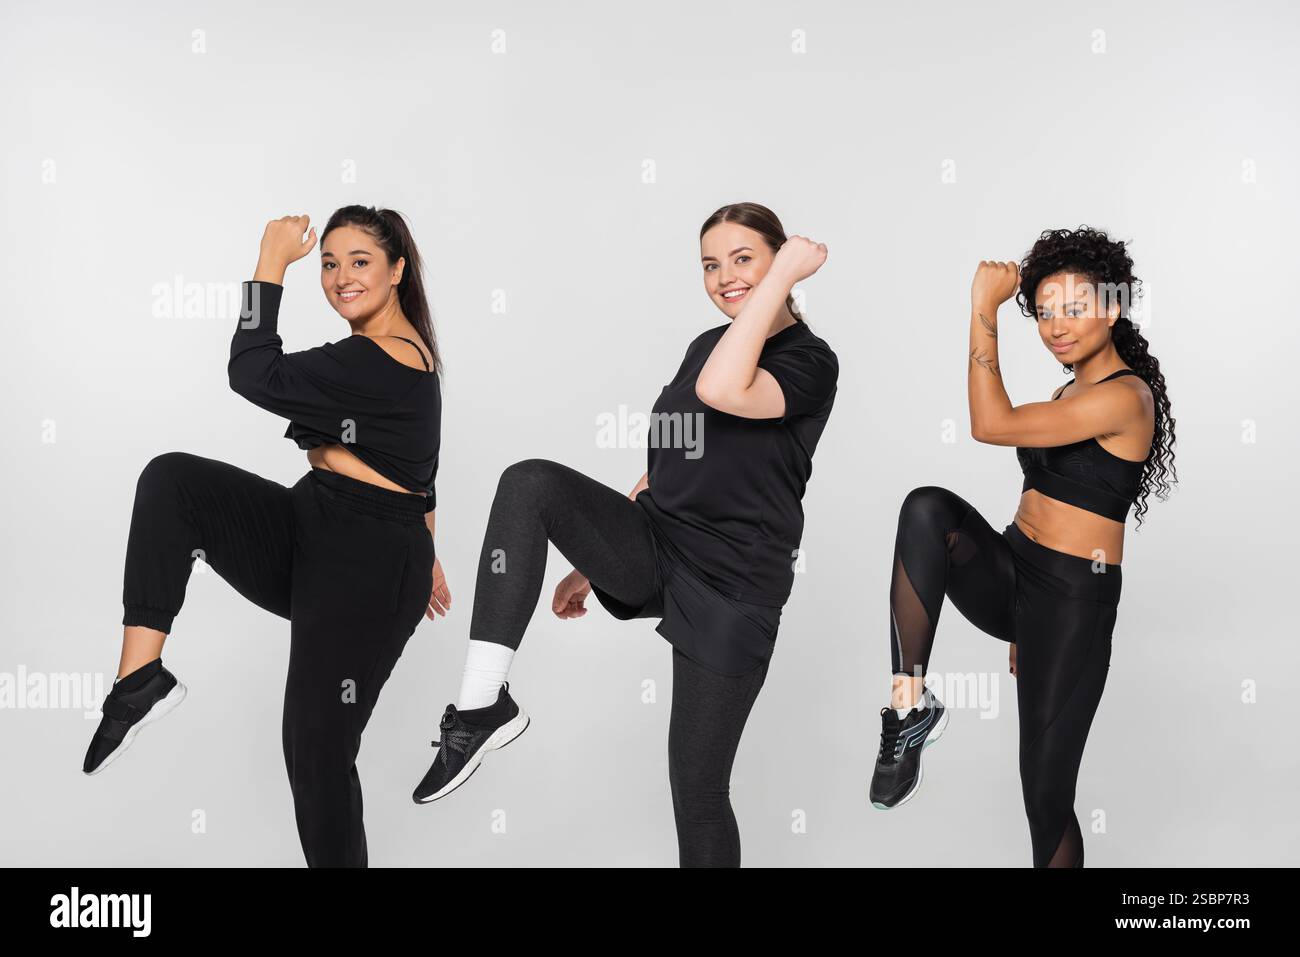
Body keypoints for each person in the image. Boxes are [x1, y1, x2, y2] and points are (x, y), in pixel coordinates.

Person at [411, 202, 839, 867]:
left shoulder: (811, 361)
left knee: (697, 789)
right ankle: (479, 706)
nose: (724, 277)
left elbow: (726, 391)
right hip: (659, 542)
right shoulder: (707, 344)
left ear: (780, 259)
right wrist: (594, 554)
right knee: (530, 484)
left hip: (733, 587)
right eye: (710, 265)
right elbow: (675, 450)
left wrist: (782, 276)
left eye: (743, 259)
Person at [82, 207, 449, 867]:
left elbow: (253, 372)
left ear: (397, 271)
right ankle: (139, 678)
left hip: (366, 562)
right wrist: (431, 545)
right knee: (173, 484)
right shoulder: (391, 356)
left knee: (316, 750)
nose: (339, 277)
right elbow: (422, 462)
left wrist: (271, 261)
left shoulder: (383, 357)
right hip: (315, 523)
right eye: (330, 263)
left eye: (359, 261)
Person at [868, 226, 1178, 867]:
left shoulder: (1126, 397)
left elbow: (991, 424)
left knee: (1044, 793)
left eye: (1074, 308)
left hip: (1070, 606)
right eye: (1044, 311)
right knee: (929, 509)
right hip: (1016, 575)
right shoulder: (1069, 394)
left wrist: (984, 308)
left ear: (1113, 307)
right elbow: (1042, 499)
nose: (1056, 326)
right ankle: (908, 708)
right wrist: (1014, 622)